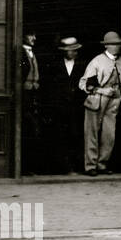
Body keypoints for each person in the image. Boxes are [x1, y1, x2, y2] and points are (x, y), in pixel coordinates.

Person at [80, 30, 121, 176]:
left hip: (113, 102)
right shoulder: (96, 61)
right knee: (92, 133)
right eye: (113, 44)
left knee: (109, 135)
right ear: (106, 46)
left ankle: (102, 164)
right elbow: (84, 84)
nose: (117, 47)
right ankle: (90, 166)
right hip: (96, 101)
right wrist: (102, 91)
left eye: (118, 44)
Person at [42, 36, 86, 173]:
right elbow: (48, 87)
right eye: (71, 50)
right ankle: (61, 167)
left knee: (76, 135)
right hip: (58, 108)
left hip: (76, 108)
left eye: (76, 50)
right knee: (59, 137)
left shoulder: (82, 64)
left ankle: (75, 166)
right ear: (64, 51)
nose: (75, 53)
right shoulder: (54, 65)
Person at [19, 31, 43, 174]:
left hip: (33, 95)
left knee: (33, 130)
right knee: (26, 129)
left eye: (35, 35)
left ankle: (31, 167)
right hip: (24, 96)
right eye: (30, 35)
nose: (34, 38)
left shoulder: (33, 53)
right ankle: (23, 168)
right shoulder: (19, 53)